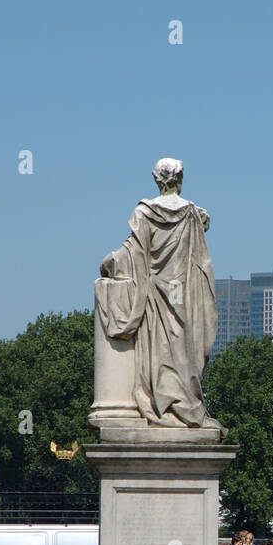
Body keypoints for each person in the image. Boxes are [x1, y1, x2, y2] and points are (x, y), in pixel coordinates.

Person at [96, 158, 223, 431]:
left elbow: (134, 252)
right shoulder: (192, 214)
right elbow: (201, 261)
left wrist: (112, 261)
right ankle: (186, 405)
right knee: (185, 350)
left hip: (156, 296)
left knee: (161, 352)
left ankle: (166, 405)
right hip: (184, 296)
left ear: (156, 179)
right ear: (180, 179)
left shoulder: (145, 213)